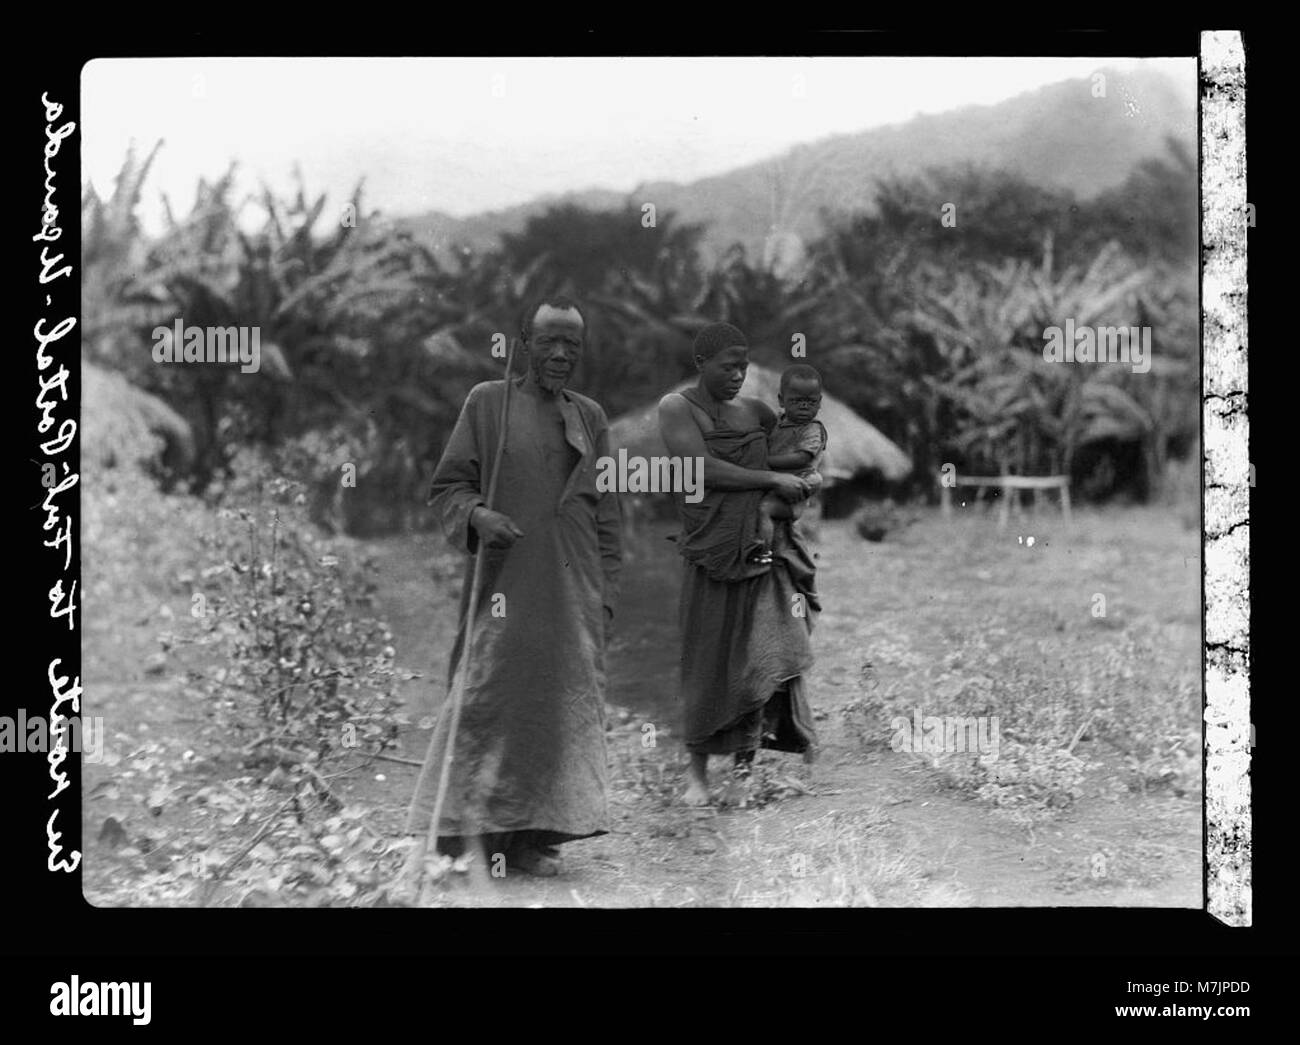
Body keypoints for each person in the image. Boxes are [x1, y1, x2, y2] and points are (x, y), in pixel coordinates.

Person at [398, 296, 622, 887]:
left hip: (572, 586)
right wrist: (478, 516)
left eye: (572, 344)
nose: (560, 354)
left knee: (554, 704)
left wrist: (607, 590)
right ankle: (458, 834)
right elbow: (448, 485)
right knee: (488, 693)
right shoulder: (487, 404)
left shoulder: (590, 417)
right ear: (523, 344)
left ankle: (532, 836)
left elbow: (607, 514)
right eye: (549, 340)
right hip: (507, 581)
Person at [657, 322, 820, 807]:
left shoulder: (755, 411)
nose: (738, 375)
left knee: (756, 657)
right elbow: (697, 468)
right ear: (701, 363)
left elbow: (801, 453)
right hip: (712, 550)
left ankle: (746, 768)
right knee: (706, 658)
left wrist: (791, 491)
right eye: (728, 366)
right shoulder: (678, 408)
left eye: (743, 366)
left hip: (761, 553)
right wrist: (768, 477)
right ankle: (697, 776)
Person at [751, 364, 827, 565]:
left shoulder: (812, 429)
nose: (804, 406)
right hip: (778, 481)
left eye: (810, 402)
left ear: (819, 403)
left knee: (764, 509)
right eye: (796, 401)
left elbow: (802, 458)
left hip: (800, 481)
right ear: (781, 400)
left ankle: (763, 550)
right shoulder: (777, 423)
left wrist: (765, 462)